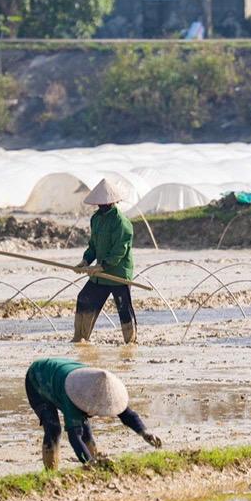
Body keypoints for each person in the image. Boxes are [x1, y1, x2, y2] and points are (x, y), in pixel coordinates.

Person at [25, 357, 161, 470]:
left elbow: (126, 414)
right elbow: (75, 437)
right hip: (38, 379)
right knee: (54, 429)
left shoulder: (102, 388)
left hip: (60, 373)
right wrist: (89, 465)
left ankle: (94, 462)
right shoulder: (74, 396)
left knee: (86, 431)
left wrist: (144, 432)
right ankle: (50, 472)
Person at [73, 178, 136, 344]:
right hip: (99, 274)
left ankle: (130, 341)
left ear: (112, 202)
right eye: (99, 204)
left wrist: (103, 266)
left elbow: (119, 251)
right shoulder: (96, 219)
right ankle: (80, 337)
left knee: (123, 308)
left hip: (117, 273)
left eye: (104, 203)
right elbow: (93, 245)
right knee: (84, 298)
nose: (101, 206)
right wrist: (85, 261)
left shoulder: (122, 223)